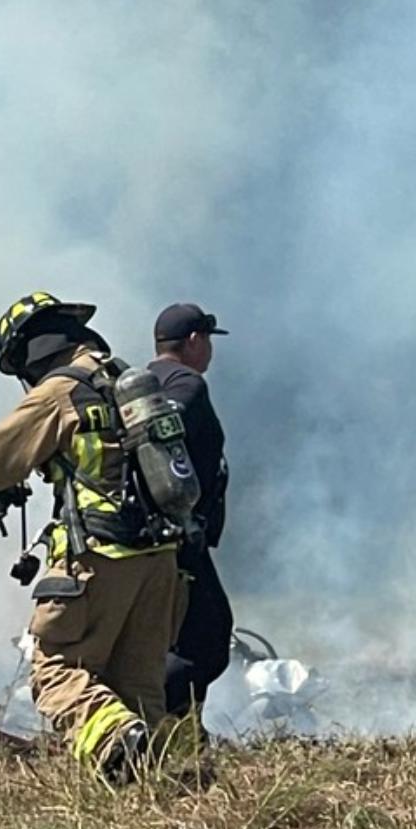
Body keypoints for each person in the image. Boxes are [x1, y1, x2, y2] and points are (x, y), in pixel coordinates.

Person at [0, 292, 184, 783]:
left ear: (29, 353)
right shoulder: (126, 379)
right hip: (159, 558)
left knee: (56, 670)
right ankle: (156, 786)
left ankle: (114, 743)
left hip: (99, 558)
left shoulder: (60, 390)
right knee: (138, 687)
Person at [147, 303, 235, 721]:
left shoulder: (139, 382)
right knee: (207, 641)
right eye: (209, 342)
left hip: (155, 536)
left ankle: (182, 727)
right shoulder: (186, 385)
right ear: (195, 341)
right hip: (179, 538)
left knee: (182, 637)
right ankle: (163, 726)